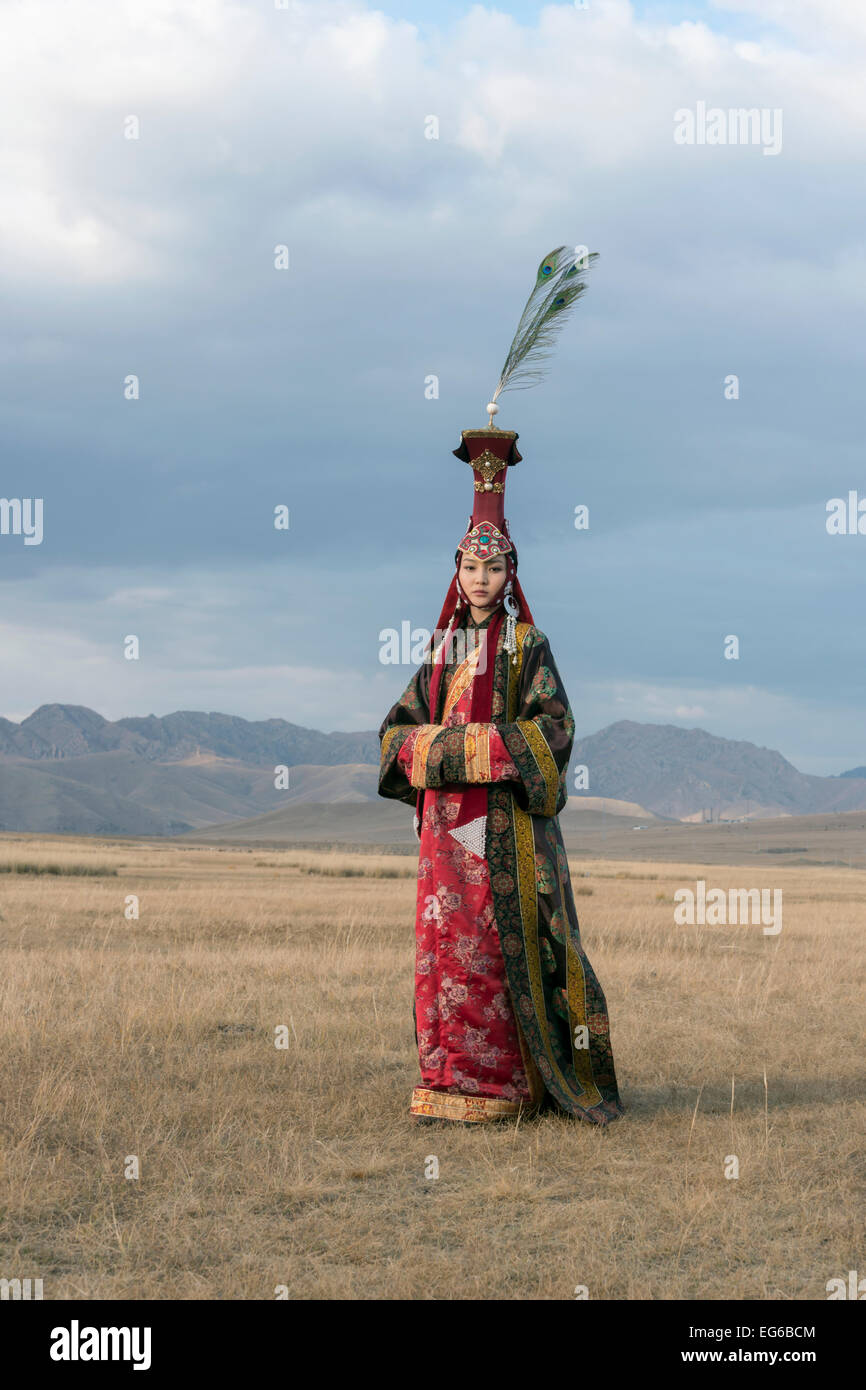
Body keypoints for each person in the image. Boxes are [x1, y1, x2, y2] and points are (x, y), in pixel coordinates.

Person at [378, 424, 625, 1126]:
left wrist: (474, 751)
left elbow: (556, 732)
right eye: (470, 568)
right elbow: (394, 733)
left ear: (509, 572)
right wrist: (431, 752)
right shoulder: (443, 650)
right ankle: (448, 1077)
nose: (480, 579)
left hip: (504, 833)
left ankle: (509, 1084)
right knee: (442, 953)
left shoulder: (528, 646)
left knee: (492, 948)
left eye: (492, 568)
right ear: (456, 571)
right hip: (443, 839)